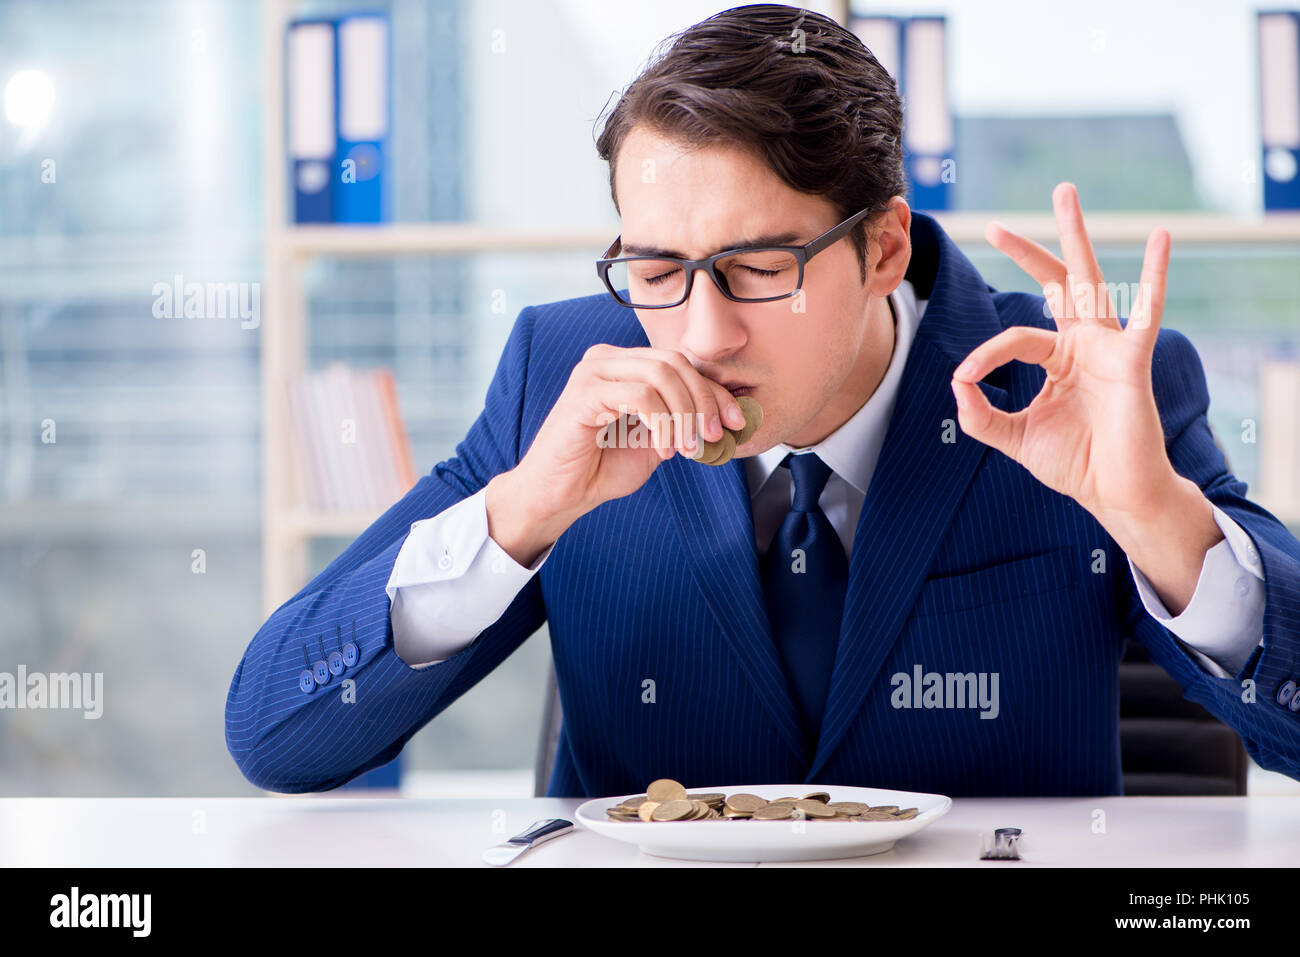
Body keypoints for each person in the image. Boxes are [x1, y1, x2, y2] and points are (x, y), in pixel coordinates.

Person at [226, 4, 1300, 796]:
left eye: (756, 270)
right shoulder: (562, 372)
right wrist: (517, 520)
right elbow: (273, 734)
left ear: (883, 246)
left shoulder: (1075, 379)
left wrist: (1154, 517)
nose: (700, 332)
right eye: (654, 270)